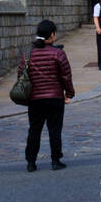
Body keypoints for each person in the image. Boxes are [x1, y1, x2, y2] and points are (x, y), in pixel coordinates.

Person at [18, 19, 75, 171]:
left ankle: (31, 162)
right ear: (52, 35)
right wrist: (69, 93)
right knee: (54, 130)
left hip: (35, 99)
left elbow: (21, 75)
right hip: (54, 97)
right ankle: (56, 160)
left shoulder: (28, 54)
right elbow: (66, 76)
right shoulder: (58, 53)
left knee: (34, 130)